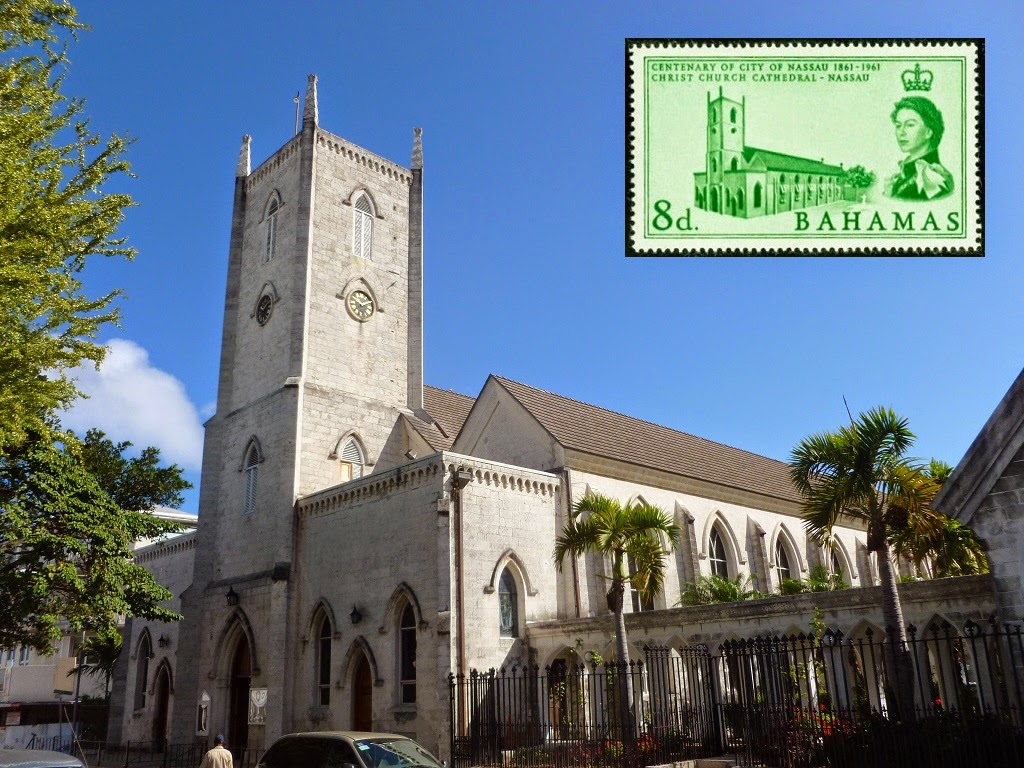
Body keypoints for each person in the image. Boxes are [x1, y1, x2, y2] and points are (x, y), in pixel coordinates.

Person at [884, 96, 954, 200]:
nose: (901, 132)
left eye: (910, 125)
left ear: (928, 132)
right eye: (898, 125)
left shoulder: (931, 179)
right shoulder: (903, 174)